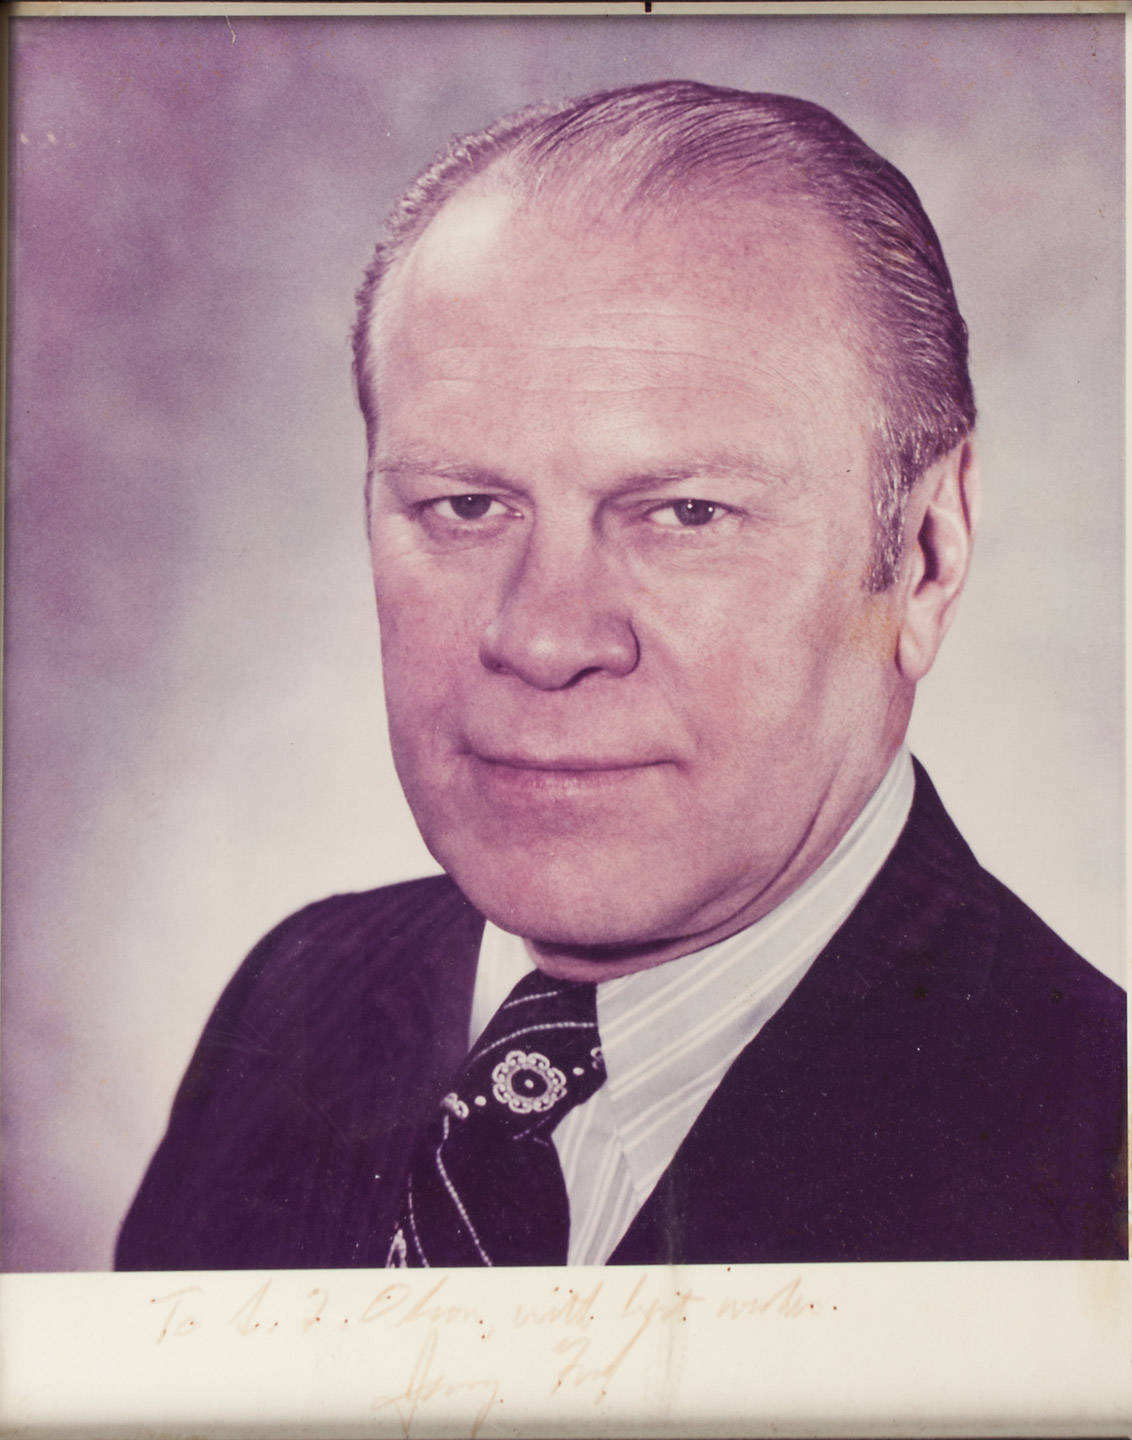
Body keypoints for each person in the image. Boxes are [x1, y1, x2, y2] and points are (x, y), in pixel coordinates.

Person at [116, 81, 1126, 1270]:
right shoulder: (298, 1000)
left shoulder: (1088, 1153)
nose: (545, 640)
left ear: (922, 555)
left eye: (685, 512)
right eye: (467, 504)